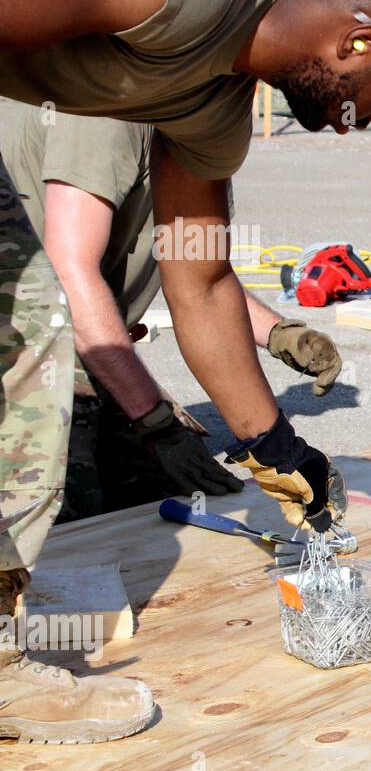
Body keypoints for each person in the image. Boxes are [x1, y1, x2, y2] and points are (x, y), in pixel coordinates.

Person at [0, 0, 371, 744]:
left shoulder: (214, 98)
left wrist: (275, 443)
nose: (368, 118)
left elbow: (200, 280)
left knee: (21, 333)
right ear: (360, 39)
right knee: (30, 325)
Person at [3, 110, 346, 522]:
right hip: (24, 343)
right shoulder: (107, 110)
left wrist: (280, 333)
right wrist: (155, 422)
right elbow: (68, 273)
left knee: (166, 495)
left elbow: (200, 274)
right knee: (61, 517)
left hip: (77, 340)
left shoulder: (198, 121)